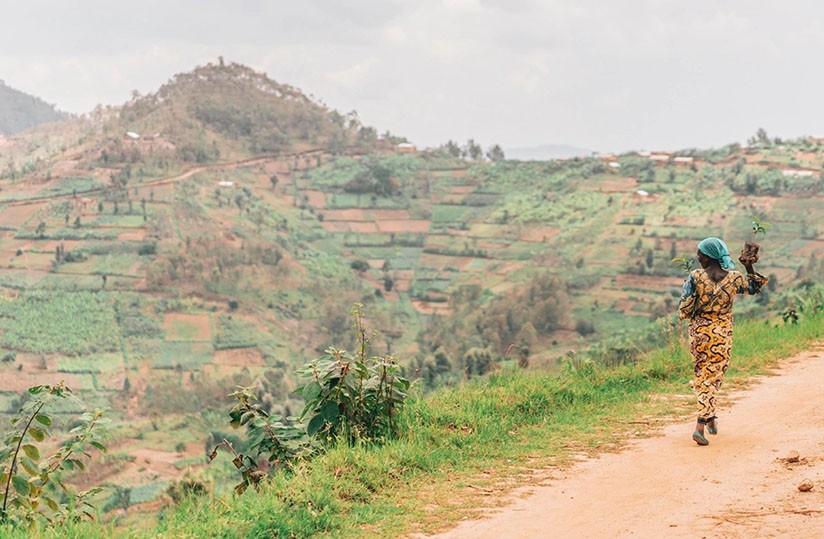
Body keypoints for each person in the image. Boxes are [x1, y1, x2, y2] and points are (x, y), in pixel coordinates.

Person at [677, 237, 768, 446]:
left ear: (707, 257)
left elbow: (684, 310)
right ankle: (701, 425)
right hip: (721, 334)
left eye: (700, 254)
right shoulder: (734, 278)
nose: (697, 257)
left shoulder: (695, 277)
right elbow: (754, 288)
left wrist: (697, 306)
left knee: (703, 375)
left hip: (699, 333)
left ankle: (709, 418)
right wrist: (749, 265)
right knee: (713, 376)